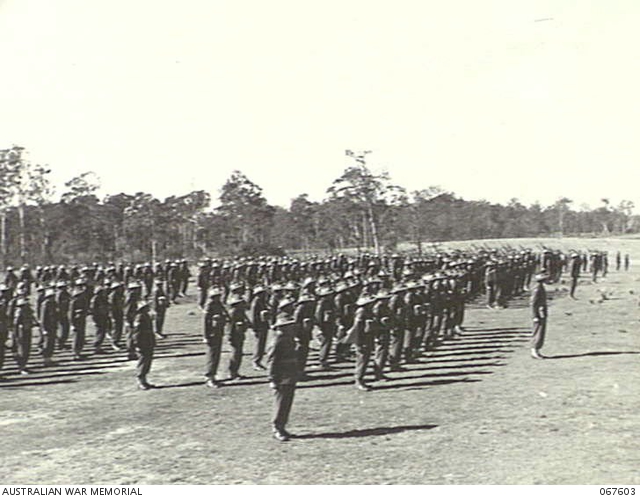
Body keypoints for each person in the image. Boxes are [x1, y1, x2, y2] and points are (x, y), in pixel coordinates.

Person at [267, 299, 300, 442]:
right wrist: (272, 379)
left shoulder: (289, 338)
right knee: (280, 402)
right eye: (287, 325)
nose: (290, 327)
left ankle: (282, 426)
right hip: (281, 375)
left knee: (287, 401)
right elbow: (272, 361)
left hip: (290, 373)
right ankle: (277, 427)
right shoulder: (278, 340)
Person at [203, 288, 230, 387]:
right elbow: (205, 322)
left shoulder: (218, 304)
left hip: (219, 332)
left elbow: (225, 313)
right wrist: (206, 336)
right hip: (212, 334)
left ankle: (213, 376)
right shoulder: (209, 305)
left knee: (216, 355)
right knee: (212, 356)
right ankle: (209, 377)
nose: (218, 298)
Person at [132, 301, 155, 390]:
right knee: (143, 361)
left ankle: (144, 381)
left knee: (147, 361)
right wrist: (137, 343)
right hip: (143, 342)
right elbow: (136, 332)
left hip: (148, 341)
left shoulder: (146, 316)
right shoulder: (140, 317)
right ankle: (141, 381)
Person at [530, 273, 549, 359]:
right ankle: (534, 349)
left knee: (541, 331)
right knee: (538, 331)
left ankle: (537, 350)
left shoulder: (539, 287)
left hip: (541, 312)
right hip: (538, 313)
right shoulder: (537, 288)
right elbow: (533, 303)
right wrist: (535, 316)